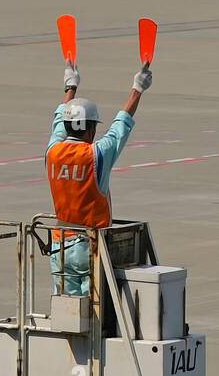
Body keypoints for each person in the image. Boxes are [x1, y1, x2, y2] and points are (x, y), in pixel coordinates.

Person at [46, 60, 152, 296]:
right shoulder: (96, 155)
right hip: (89, 244)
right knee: (95, 312)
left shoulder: (52, 152)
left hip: (59, 243)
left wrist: (70, 87)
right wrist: (138, 88)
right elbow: (119, 127)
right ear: (91, 129)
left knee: (66, 309)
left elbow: (57, 122)